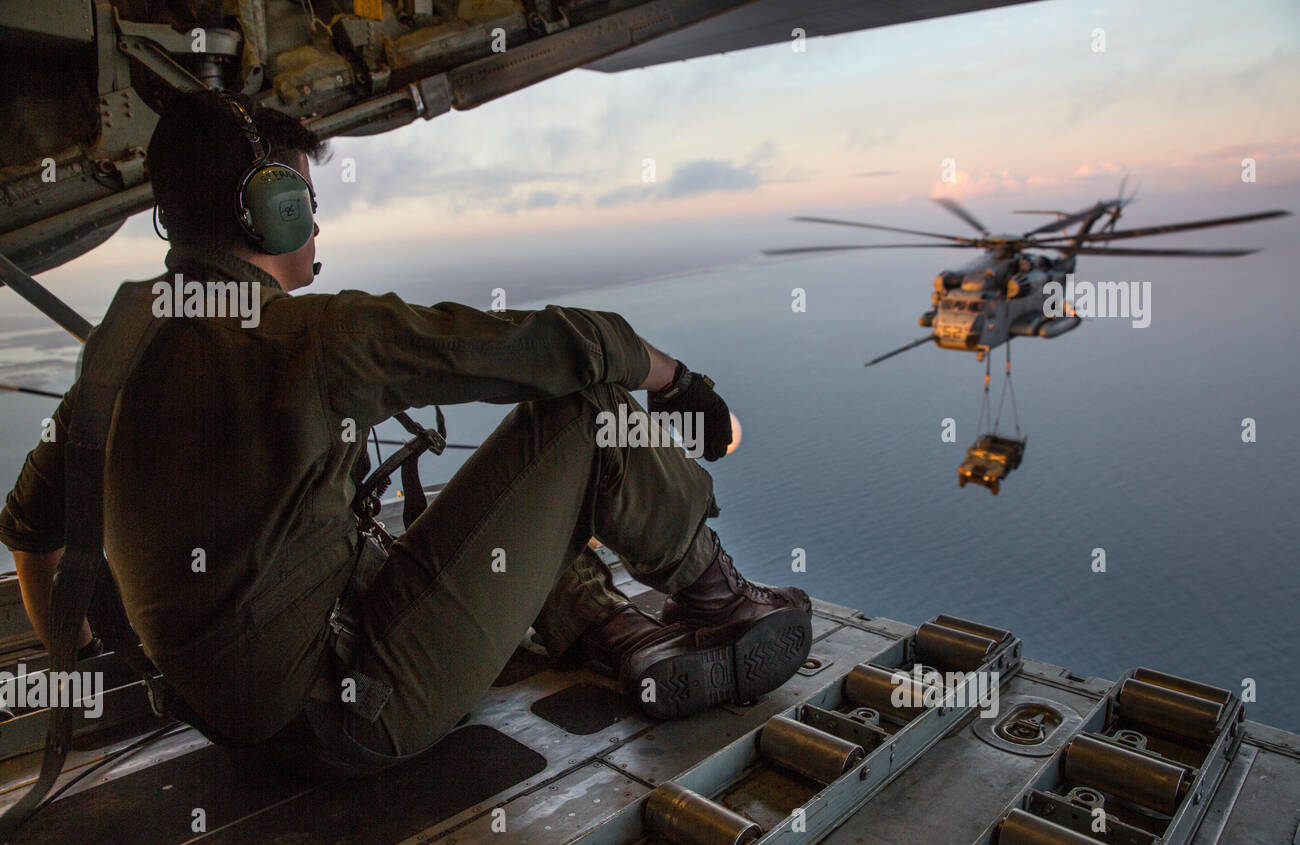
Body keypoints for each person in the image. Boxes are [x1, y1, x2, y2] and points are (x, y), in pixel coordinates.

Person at [0, 90, 811, 777]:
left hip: (228, 719)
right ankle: (721, 600)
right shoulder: (313, 339)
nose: (313, 224)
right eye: (306, 203)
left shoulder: (120, 347)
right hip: (350, 716)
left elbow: (30, 531)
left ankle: (615, 632)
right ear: (272, 212)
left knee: (478, 520)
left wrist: (84, 652)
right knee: (589, 416)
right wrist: (676, 382)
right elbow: (555, 349)